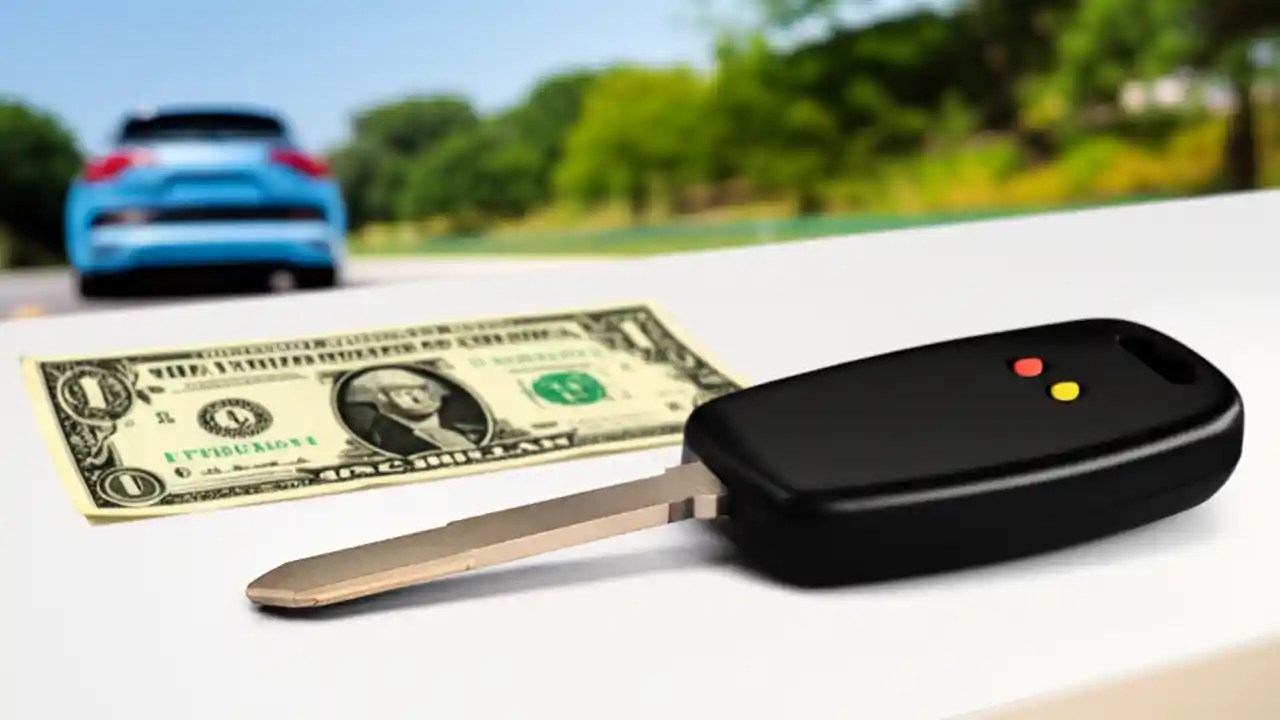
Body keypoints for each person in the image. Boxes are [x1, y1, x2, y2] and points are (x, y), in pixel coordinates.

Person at [343, 367, 483, 456]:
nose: (417, 397)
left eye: (421, 389)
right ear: (383, 400)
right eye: (401, 393)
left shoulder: (468, 426)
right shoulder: (381, 440)